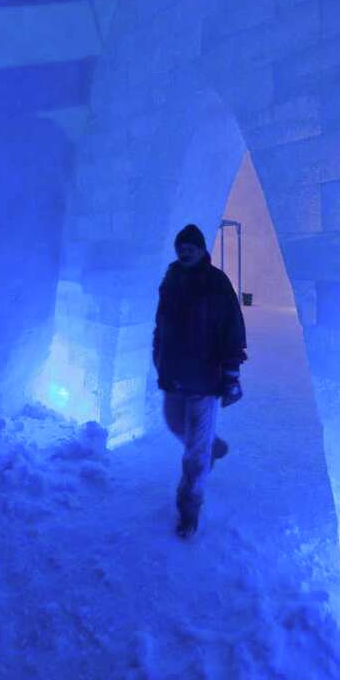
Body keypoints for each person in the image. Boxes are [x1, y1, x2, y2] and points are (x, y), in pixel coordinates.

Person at [152, 224, 247, 539]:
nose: (185, 251)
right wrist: (159, 357)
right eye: (181, 246)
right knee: (174, 424)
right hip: (174, 375)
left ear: (201, 248)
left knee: (194, 452)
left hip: (204, 379)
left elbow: (232, 329)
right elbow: (161, 323)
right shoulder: (172, 278)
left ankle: (189, 509)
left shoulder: (216, 283)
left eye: (190, 246)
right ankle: (211, 447)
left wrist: (231, 373)